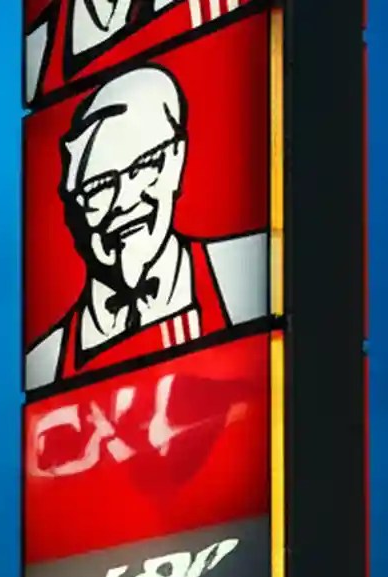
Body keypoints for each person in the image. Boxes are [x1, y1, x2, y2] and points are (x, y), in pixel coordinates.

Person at [25, 64, 267, 391]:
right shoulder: (46, 362)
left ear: (177, 159)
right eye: (99, 186)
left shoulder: (250, 277)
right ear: (75, 208)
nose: (125, 200)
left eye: (146, 166)